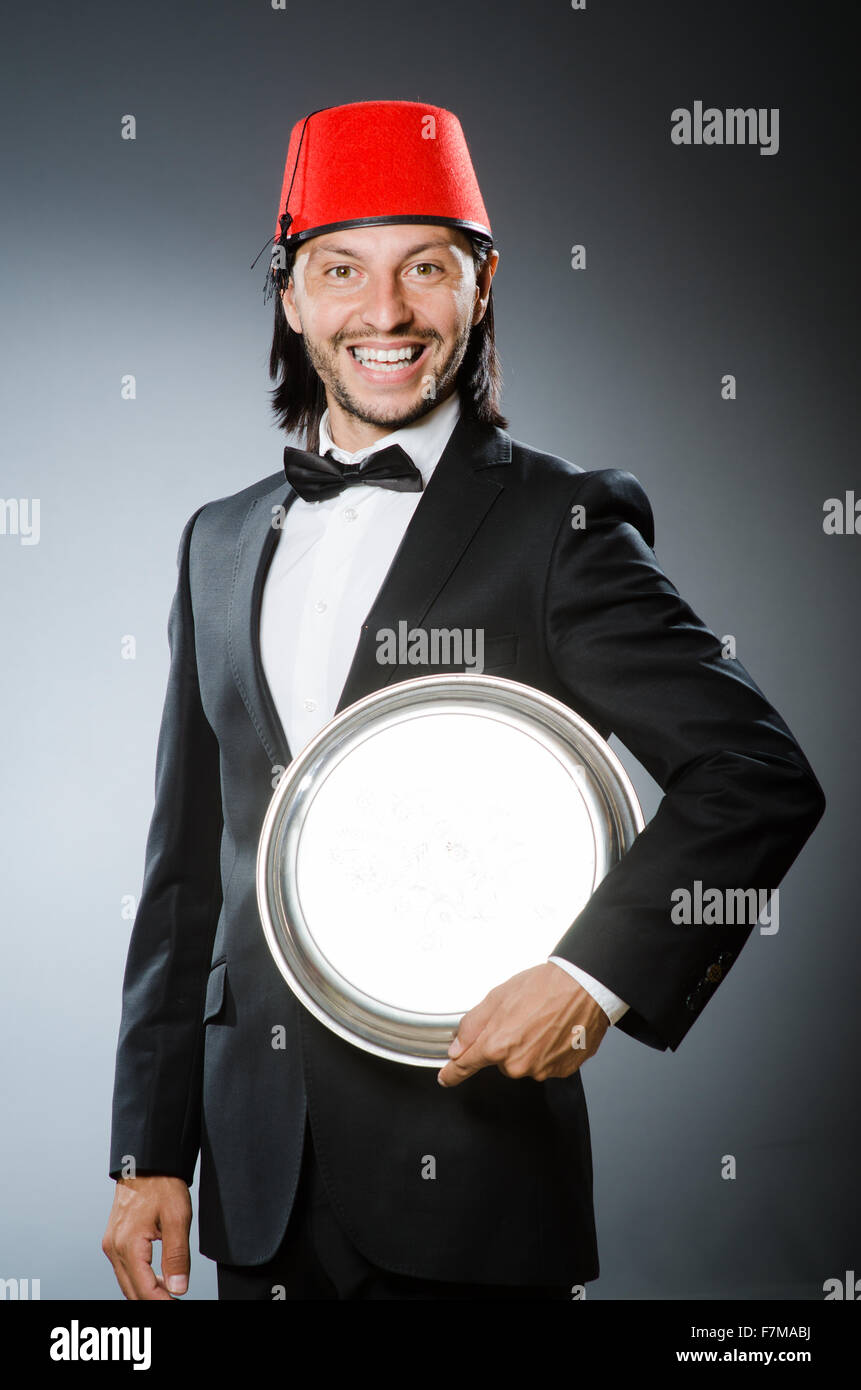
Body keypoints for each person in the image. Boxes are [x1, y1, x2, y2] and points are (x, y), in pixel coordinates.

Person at [102, 99, 825, 1301]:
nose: (383, 313)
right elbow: (188, 876)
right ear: (291, 295)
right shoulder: (218, 540)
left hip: (473, 1174)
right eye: (342, 270)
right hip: (254, 1179)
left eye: (423, 269)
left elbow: (756, 771)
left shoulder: (560, 525)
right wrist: (148, 1153)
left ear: (480, 286)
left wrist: (593, 975)